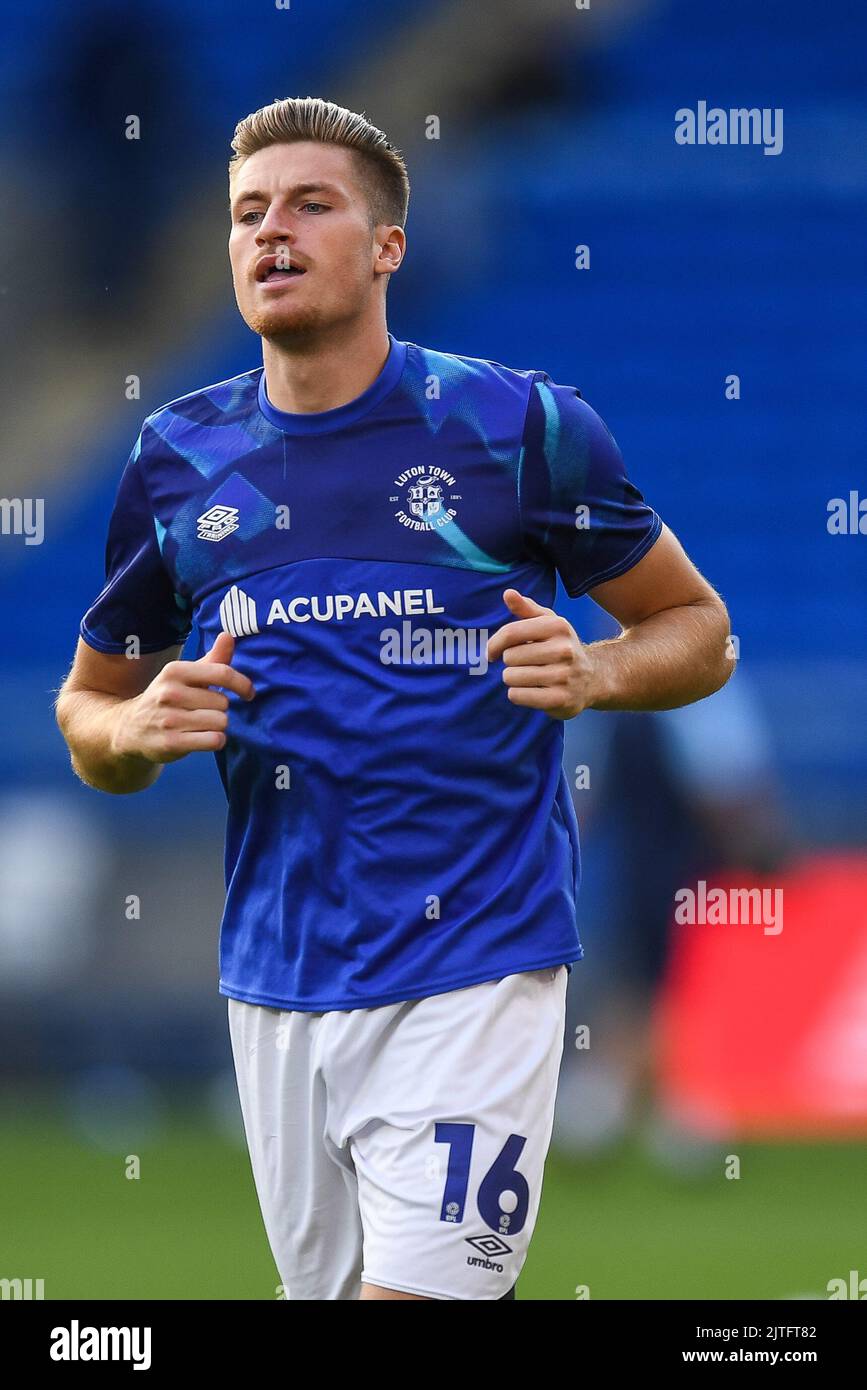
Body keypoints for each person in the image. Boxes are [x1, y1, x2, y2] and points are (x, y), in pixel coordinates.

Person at [55, 96, 732, 1301]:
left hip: (478, 958)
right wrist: (131, 730)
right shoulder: (179, 457)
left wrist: (599, 670)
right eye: (248, 213)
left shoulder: (518, 429)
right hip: (277, 977)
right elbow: (88, 712)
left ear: (386, 247)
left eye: (311, 205)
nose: (273, 232)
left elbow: (698, 631)